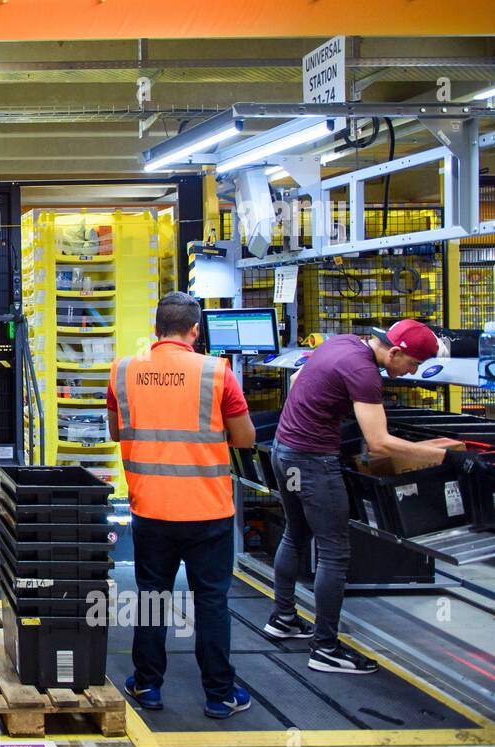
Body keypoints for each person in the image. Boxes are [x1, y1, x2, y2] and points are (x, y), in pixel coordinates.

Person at [267, 319, 483, 674]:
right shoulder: (365, 373)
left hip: (284, 452)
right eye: (412, 364)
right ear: (395, 351)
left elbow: (295, 381)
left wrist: (318, 417)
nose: (412, 372)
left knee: (296, 532)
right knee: (334, 553)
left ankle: (284, 618)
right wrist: (450, 457)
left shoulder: (343, 343)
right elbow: (380, 441)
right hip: (313, 463)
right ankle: (325, 649)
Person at [108, 292, 257, 719]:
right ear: (195, 331)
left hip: (150, 509)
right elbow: (245, 438)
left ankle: (147, 685)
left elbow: (119, 432)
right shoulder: (217, 373)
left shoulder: (123, 371)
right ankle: (219, 694)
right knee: (211, 602)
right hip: (208, 512)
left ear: (155, 330)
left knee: (152, 596)